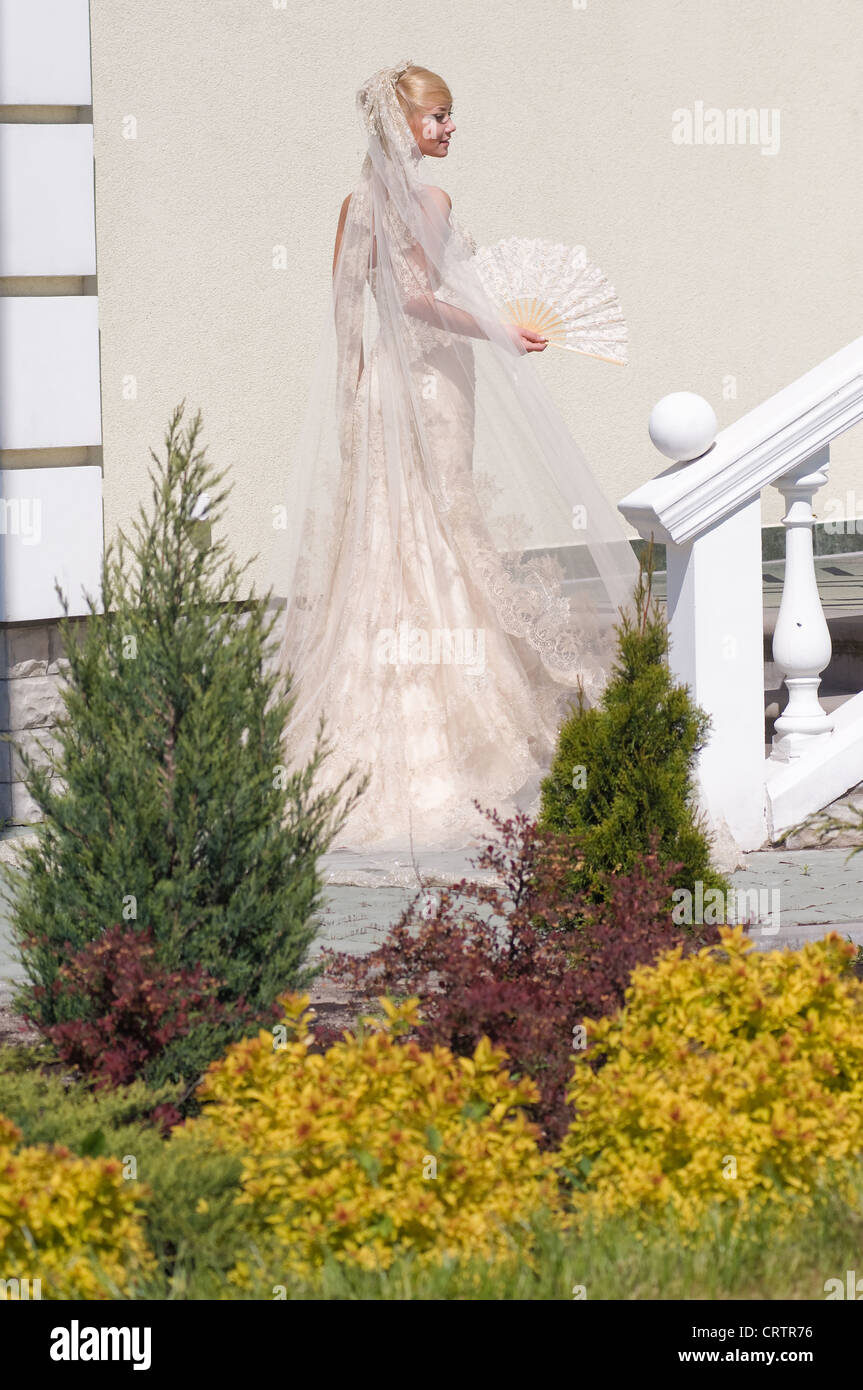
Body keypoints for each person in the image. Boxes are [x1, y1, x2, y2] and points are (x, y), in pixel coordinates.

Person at [276, 61, 639, 855]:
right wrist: (498, 331)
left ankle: (367, 736)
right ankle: (457, 734)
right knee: (440, 529)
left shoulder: (353, 206)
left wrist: (356, 393)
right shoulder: (427, 202)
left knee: (388, 541)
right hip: (433, 386)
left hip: (384, 391)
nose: (448, 129)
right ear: (401, 125)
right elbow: (415, 298)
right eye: (437, 117)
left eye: (449, 115)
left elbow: (348, 313)